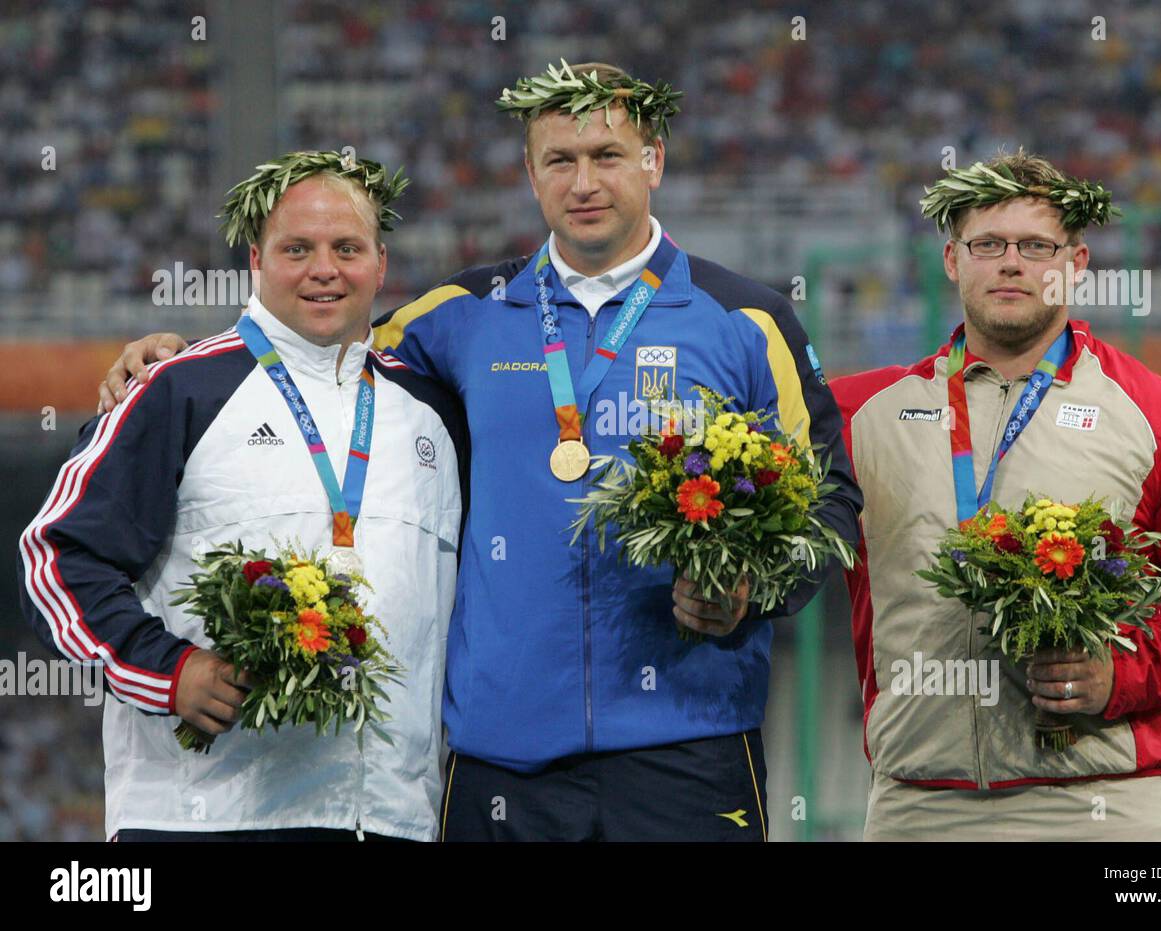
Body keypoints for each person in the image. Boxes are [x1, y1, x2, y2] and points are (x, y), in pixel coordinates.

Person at [99, 61, 863, 842]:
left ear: (654, 159)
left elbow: (832, 498)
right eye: (559, 160)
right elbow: (316, 342)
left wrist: (750, 591)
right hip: (503, 763)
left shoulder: (747, 319)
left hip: (690, 747)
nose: (584, 182)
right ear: (530, 174)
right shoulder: (462, 314)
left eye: (607, 155)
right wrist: (179, 355)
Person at [831, 151, 1161, 841]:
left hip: (1107, 803)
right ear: (952, 259)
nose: (1011, 262)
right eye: (988, 243)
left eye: (1036, 245)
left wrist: (1125, 670)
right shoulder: (861, 413)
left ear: (1076, 263)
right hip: (917, 806)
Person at [21, 152, 468, 841]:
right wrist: (169, 670)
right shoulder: (175, 388)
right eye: (298, 249)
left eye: (347, 248)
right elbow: (55, 557)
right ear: (256, 260)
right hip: (203, 817)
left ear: (381, 264)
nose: (325, 268)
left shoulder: (434, 412)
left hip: (388, 818)